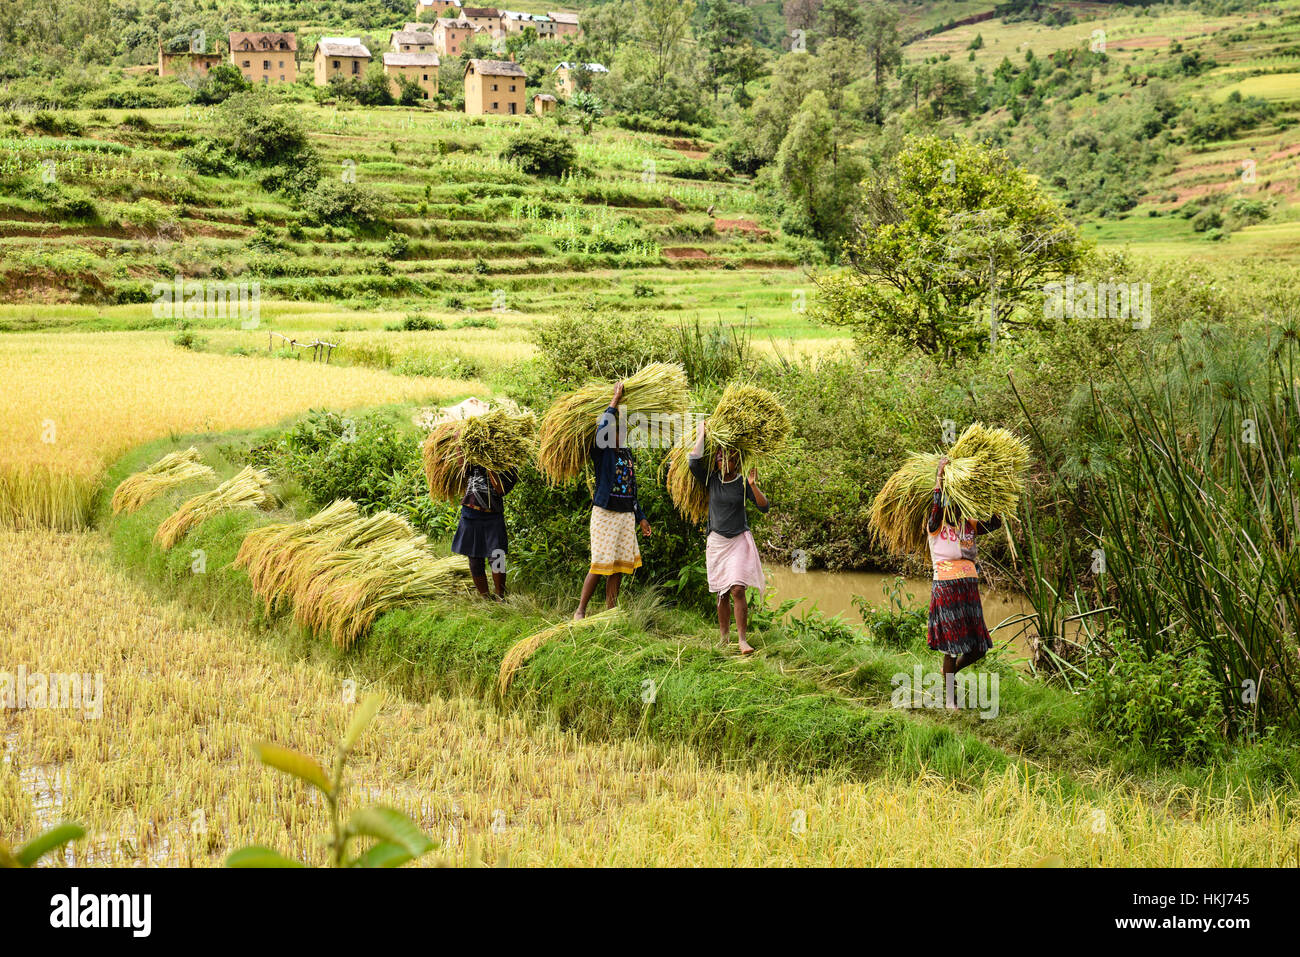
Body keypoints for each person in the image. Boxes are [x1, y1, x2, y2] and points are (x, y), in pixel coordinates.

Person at [687, 419, 769, 655]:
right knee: (722, 592)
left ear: (737, 462)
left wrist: (753, 486)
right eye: (720, 457)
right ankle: (724, 637)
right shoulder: (711, 480)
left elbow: (764, 507)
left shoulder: (742, 483)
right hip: (717, 541)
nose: (723, 461)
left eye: (728, 458)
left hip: (738, 541)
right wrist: (702, 433)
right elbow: (693, 462)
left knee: (737, 590)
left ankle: (742, 639)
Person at [926, 455, 1001, 709]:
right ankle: (949, 699)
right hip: (947, 588)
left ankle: (949, 677)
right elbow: (936, 506)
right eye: (952, 501)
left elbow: (995, 523)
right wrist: (939, 477)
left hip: (969, 589)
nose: (956, 507)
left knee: (979, 647)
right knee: (952, 647)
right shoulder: (935, 524)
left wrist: (997, 491)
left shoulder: (968, 525)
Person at [574, 381, 651, 619]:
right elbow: (601, 428)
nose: (621, 435)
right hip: (605, 513)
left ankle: (610, 612)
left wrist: (641, 518)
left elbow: (632, 488)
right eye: (617, 431)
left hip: (625, 514)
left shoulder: (627, 454)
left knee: (617, 566)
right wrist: (615, 401)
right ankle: (581, 610)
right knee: (600, 562)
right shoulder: (602, 451)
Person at [451, 457, 517, 600]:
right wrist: (459, 442)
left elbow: (500, 489)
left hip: (493, 516)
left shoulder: (511, 467)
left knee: (497, 556)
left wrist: (489, 463)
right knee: (475, 559)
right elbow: (463, 468)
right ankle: (485, 597)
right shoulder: (475, 458)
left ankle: (500, 596)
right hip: (471, 513)